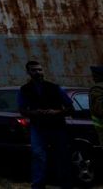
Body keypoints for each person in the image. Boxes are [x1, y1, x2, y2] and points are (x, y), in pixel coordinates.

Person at [18, 60, 72, 188]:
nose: (38, 72)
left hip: (57, 127)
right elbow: (22, 110)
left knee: (61, 156)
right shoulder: (24, 90)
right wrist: (35, 112)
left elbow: (70, 108)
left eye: (39, 69)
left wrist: (55, 112)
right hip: (38, 127)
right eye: (34, 70)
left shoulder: (55, 87)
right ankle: (38, 185)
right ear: (28, 72)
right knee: (38, 156)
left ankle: (65, 185)